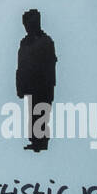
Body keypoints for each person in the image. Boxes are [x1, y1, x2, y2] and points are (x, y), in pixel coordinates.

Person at [16, 9, 56, 152]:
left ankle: (41, 143)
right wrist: (20, 86)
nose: (28, 27)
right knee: (33, 113)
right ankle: (36, 141)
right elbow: (21, 64)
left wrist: (49, 85)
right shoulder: (25, 42)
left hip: (43, 86)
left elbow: (50, 64)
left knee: (41, 113)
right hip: (31, 85)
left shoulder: (45, 41)